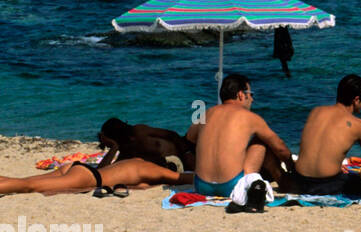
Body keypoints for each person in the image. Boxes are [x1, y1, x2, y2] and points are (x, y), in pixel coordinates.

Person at [192, 73, 295, 196]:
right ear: (241, 95)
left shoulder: (206, 113)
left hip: (201, 186)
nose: (252, 99)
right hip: (232, 186)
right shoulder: (250, 117)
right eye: (251, 94)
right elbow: (280, 148)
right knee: (262, 141)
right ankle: (284, 181)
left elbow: (190, 138)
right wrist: (291, 166)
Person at [279, 74, 361, 195]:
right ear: (356, 100)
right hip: (328, 185)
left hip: (299, 181)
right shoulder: (358, 125)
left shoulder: (316, 111)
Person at [1, 157, 189, 196]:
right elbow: (180, 178)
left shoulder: (137, 161)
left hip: (80, 170)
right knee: (29, 187)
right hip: (89, 179)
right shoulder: (153, 169)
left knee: (26, 181)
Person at [97, 118, 195, 170]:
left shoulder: (139, 131)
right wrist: (114, 147)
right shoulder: (126, 153)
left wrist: (186, 153)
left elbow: (172, 135)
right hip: (179, 164)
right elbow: (103, 171)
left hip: (188, 149)